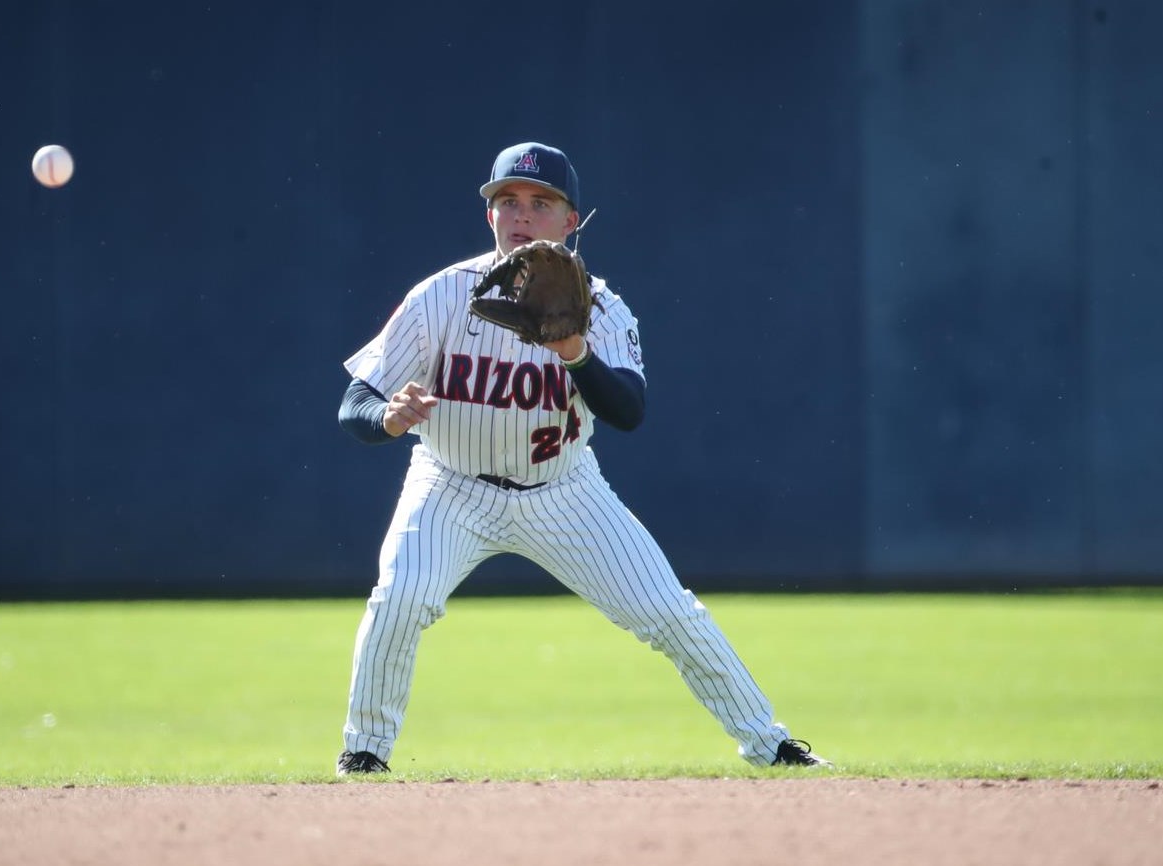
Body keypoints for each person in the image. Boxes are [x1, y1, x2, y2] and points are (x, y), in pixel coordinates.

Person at [334, 142, 829, 775]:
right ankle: (365, 753)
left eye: (541, 203)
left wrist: (572, 349)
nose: (521, 214)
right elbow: (356, 401)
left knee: (669, 613)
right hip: (449, 485)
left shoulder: (600, 308)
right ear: (490, 216)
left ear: (572, 222)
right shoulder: (440, 298)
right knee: (400, 598)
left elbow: (628, 411)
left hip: (562, 490)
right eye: (508, 201)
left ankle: (773, 746)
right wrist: (387, 417)